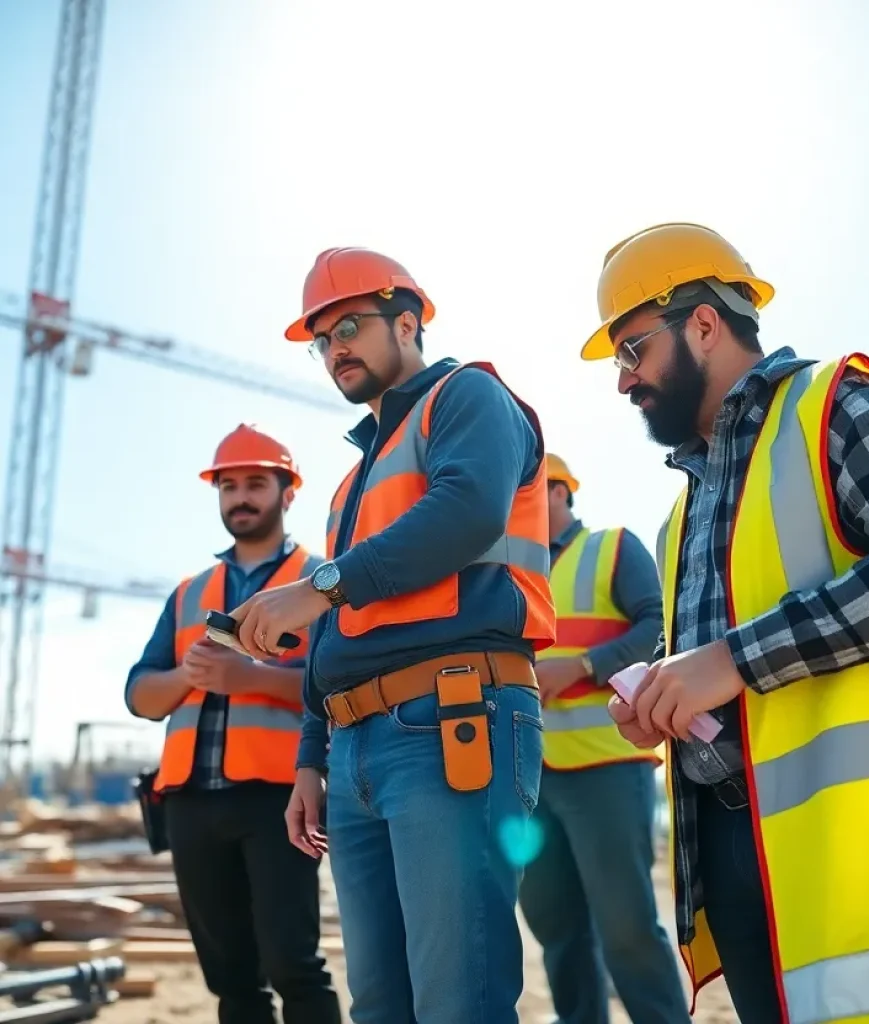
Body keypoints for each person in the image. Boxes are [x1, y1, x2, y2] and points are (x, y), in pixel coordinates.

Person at [581, 222, 869, 1024]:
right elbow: (725, 668)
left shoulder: (836, 403)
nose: (623, 380)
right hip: (747, 851)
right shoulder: (677, 518)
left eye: (633, 349)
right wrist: (664, 699)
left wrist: (734, 660)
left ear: (705, 324)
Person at [228, 247, 556, 1024]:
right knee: (379, 1003)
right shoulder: (352, 481)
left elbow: (467, 511)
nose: (335, 347)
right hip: (357, 748)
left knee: (457, 999)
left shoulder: (466, 395)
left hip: (452, 719)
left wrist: (319, 584)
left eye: (350, 325)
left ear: (407, 322)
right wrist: (313, 756)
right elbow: (341, 631)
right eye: (322, 338)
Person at [124, 424, 343, 1024]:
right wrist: (190, 678)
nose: (240, 497)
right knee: (230, 980)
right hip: (191, 804)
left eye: (255, 483)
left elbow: (346, 684)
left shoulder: (321, 581)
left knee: (292, 963)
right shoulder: (190, 592)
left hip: (280, 799)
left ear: (287, 493)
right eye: (229, 486)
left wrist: (251, 679)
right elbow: (141, 695)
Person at [518, 452, 690, 1024]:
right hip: (529, 782)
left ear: (561, 492)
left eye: (531, 491)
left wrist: (582, 667)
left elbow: (660, 627)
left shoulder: (613, 548)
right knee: (556, 930)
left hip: (608, 770)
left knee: (627, 929)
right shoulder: (508, 573)